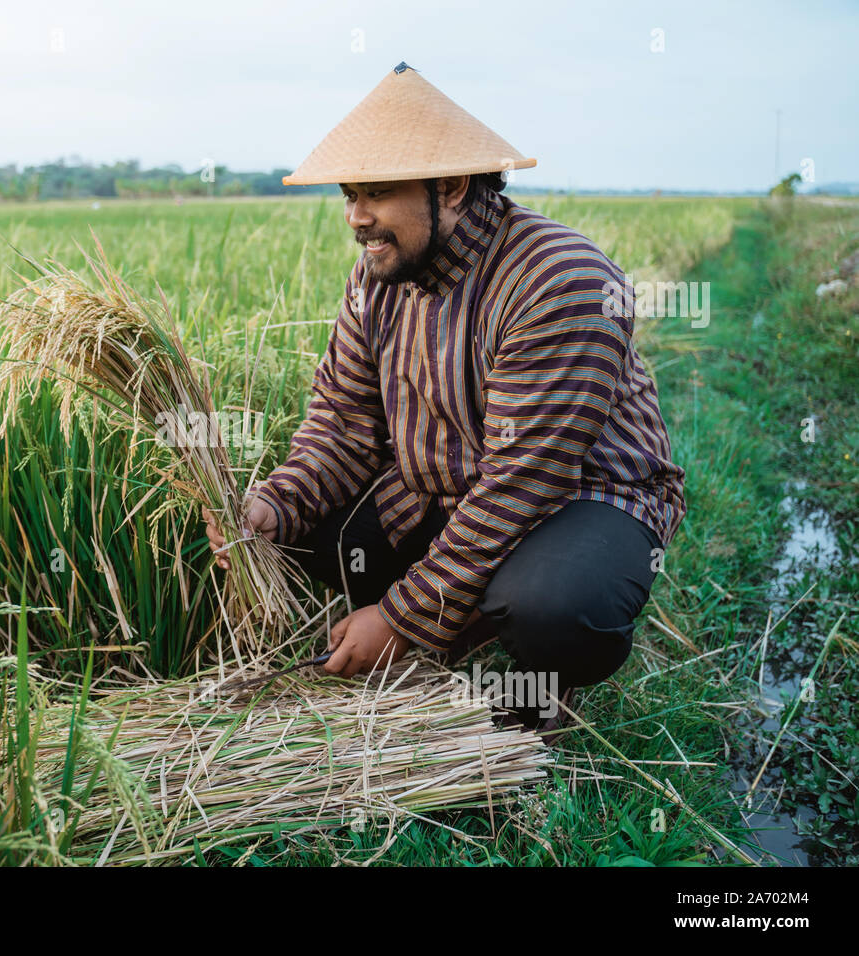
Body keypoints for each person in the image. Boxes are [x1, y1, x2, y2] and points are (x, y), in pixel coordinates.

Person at [203, 63, 686, 733]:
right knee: (300, 529)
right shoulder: (378, 276)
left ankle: (537, 680)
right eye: (348, 195)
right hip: (442, 491)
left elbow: (524, 484)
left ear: (452, 186)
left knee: (553, 606)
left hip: (575, 498)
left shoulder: (559, 280)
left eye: (374, 193)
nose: (355, 217)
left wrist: (402, 619)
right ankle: (465, 620)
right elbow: (341, 428)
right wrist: (269, 507)